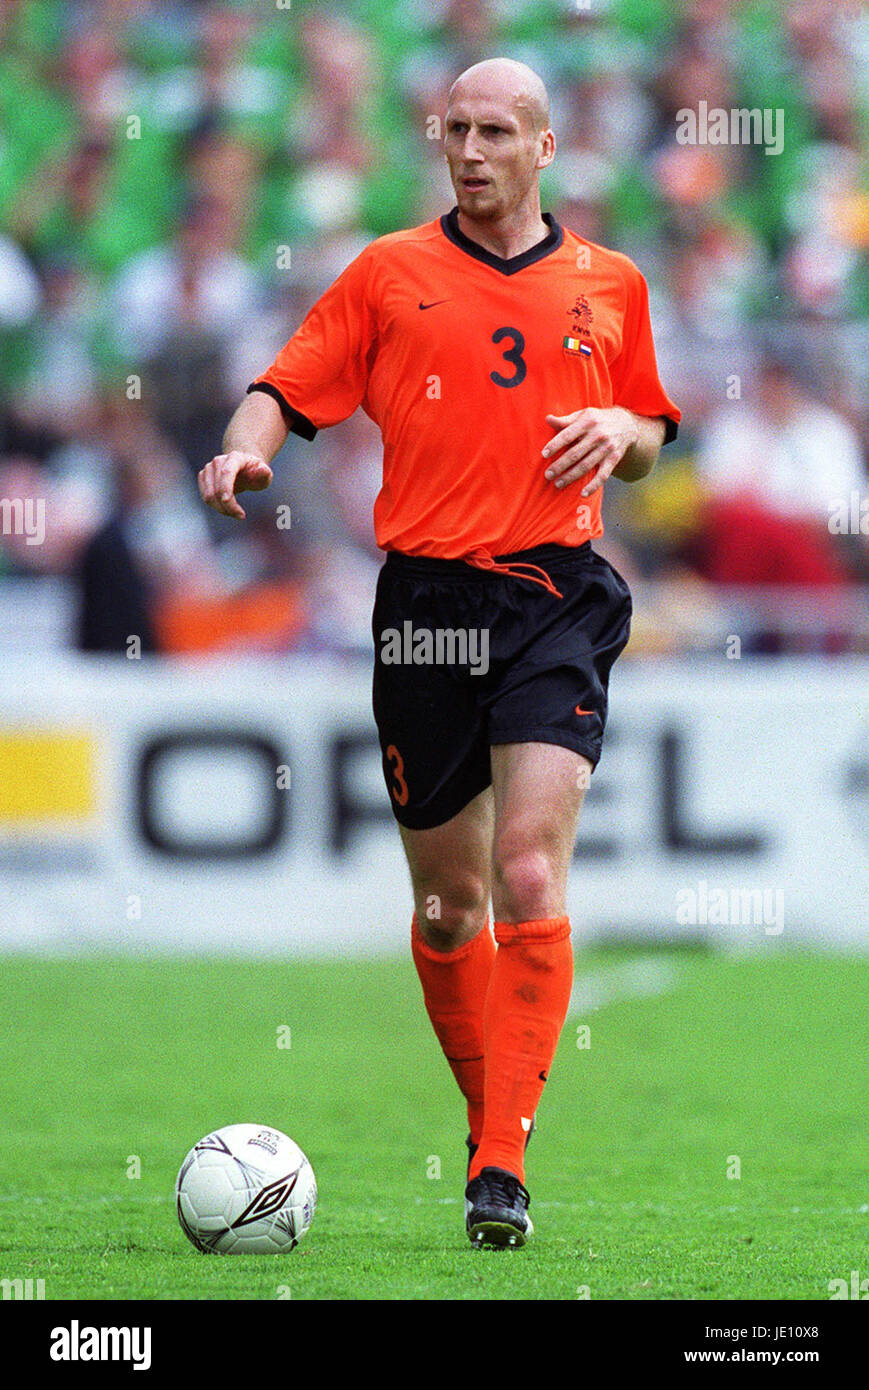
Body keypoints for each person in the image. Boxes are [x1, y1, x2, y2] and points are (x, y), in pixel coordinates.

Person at [198, 58, 680, 1248]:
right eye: (454, 129)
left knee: (526, 876)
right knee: (450, 902)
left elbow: (650, 430)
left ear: (544, 146)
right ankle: (491, 1122)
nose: (468, 151)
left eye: (494, 131)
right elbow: (280, 388)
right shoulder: (387, 273)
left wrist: (625, 427)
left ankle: (500, 1168)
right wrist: (240, 449)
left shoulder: (607, 282)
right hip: (424, 608)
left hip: (556, 596)